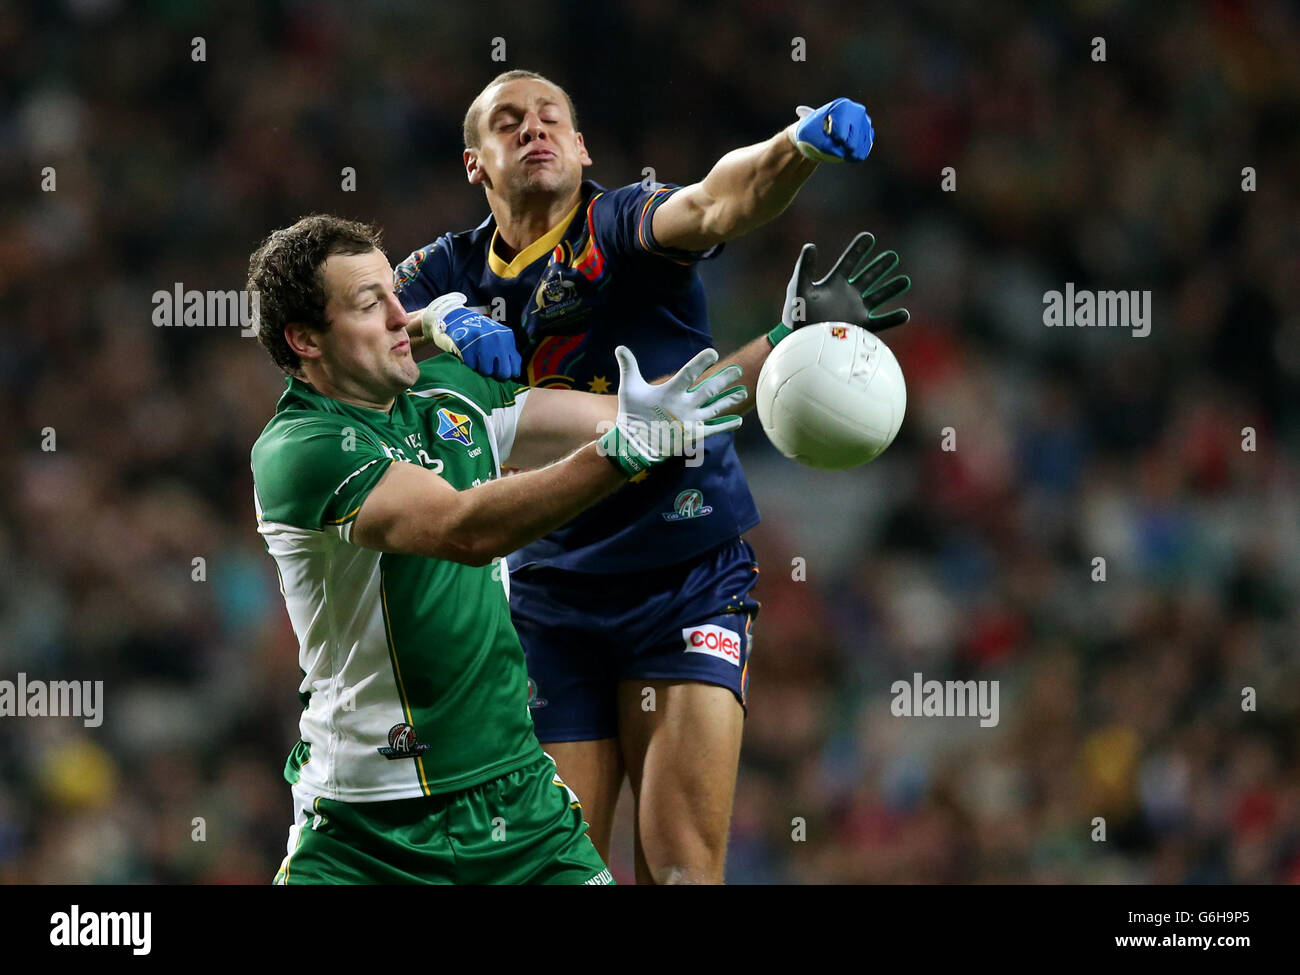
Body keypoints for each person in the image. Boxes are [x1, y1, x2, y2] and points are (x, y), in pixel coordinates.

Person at [395, 69, 909, 883]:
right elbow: (354, 328)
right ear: (474, 163)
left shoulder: (622, 223)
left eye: (551, 117)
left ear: (581, 145)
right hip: (546, 594)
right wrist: (435, 324)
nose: (535, 129)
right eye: (508, 121)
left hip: (687, 579)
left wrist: (794, 146)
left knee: (679, 873)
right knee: (560, 873)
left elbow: (713, 202)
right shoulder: (446, 270)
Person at [246, 213, 748, 884]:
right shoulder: (299, 450)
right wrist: (623, 449)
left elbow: (660, 416)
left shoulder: (453, 393)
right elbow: (465, 529)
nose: (404, 317)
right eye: (372, 305)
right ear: (305, 339)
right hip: (367, 827)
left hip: (519, 805)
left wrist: (782, 347)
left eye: (399, 296)